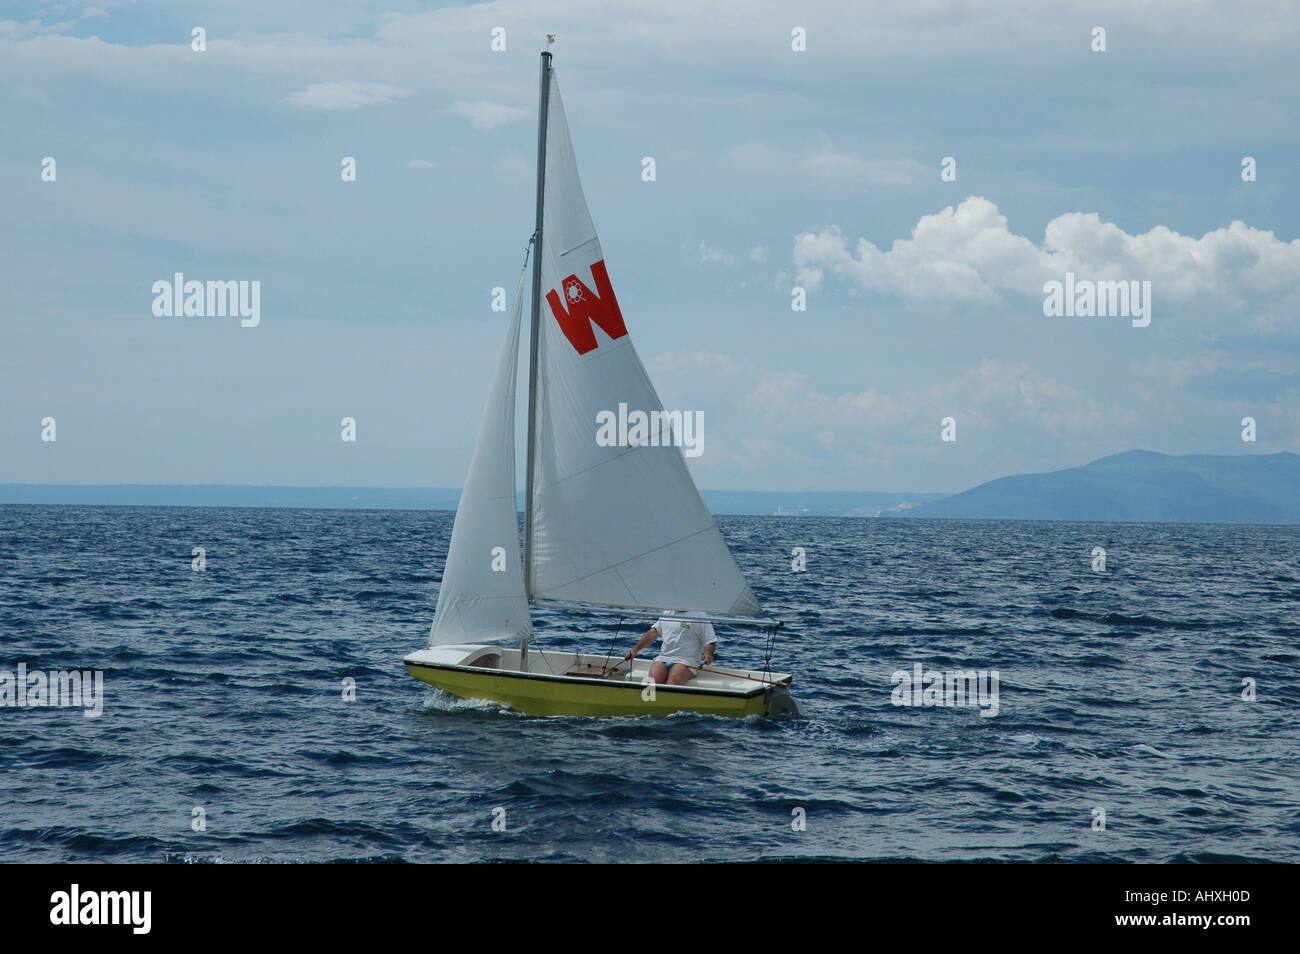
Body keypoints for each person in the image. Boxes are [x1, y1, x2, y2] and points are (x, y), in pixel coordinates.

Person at [623, 611, 716, 685]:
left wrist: (708, 654)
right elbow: (653, 633)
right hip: (664, 658)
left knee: (673, 682)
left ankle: (668, 707)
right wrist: (634, 650)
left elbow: (709, 641)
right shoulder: (667, 613)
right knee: (650, 682)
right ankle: (649, 705)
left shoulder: (700, 615)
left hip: (686, 661)